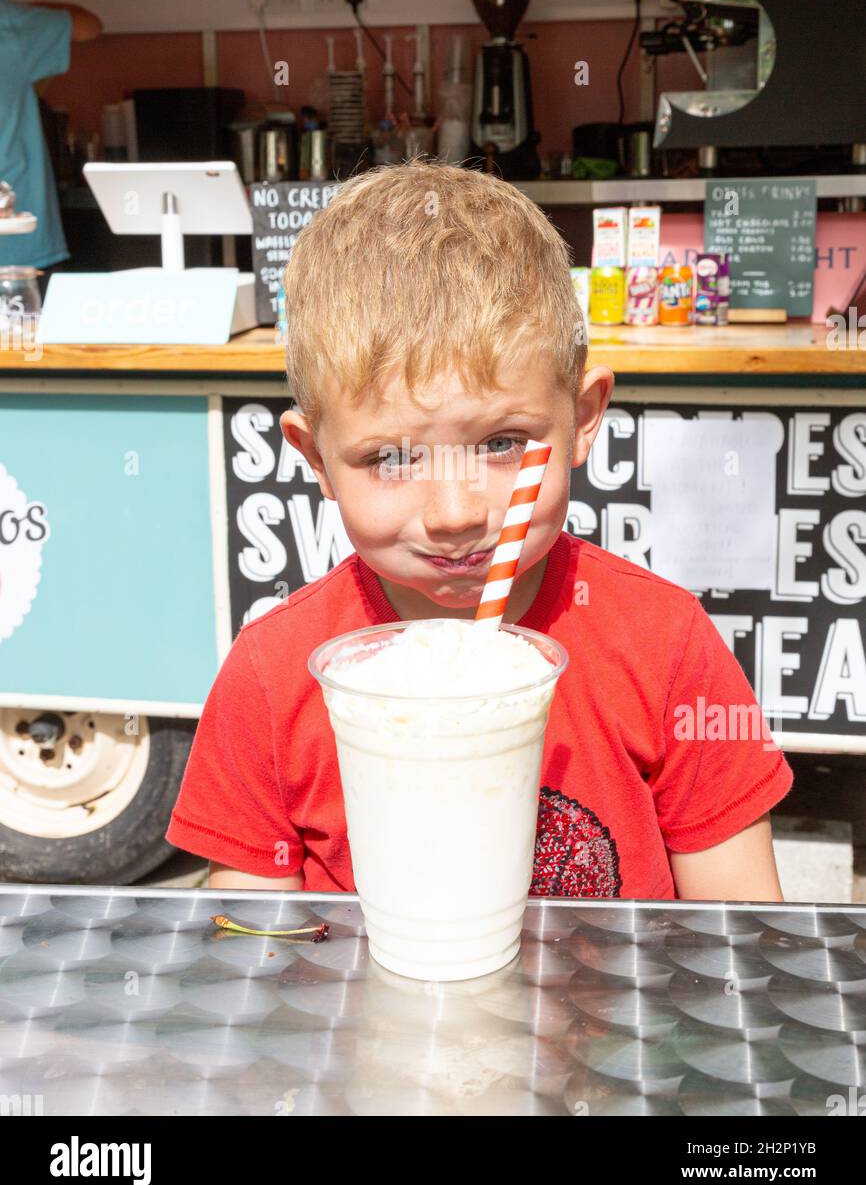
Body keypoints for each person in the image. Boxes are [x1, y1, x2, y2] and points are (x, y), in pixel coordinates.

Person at [166, 159, 794, 901]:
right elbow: (249, 950)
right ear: (317, 460)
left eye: (502, 443)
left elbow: (739, 928)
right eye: (390, 458)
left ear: (583, 421)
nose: (456, 512)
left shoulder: (665, 646)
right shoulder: (274, 676)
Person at [0, 0, 101, 272]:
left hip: (17, 242)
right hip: (18, 246)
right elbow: (89, 25)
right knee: (25, 315)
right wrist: (27, 11)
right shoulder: (9, 23)